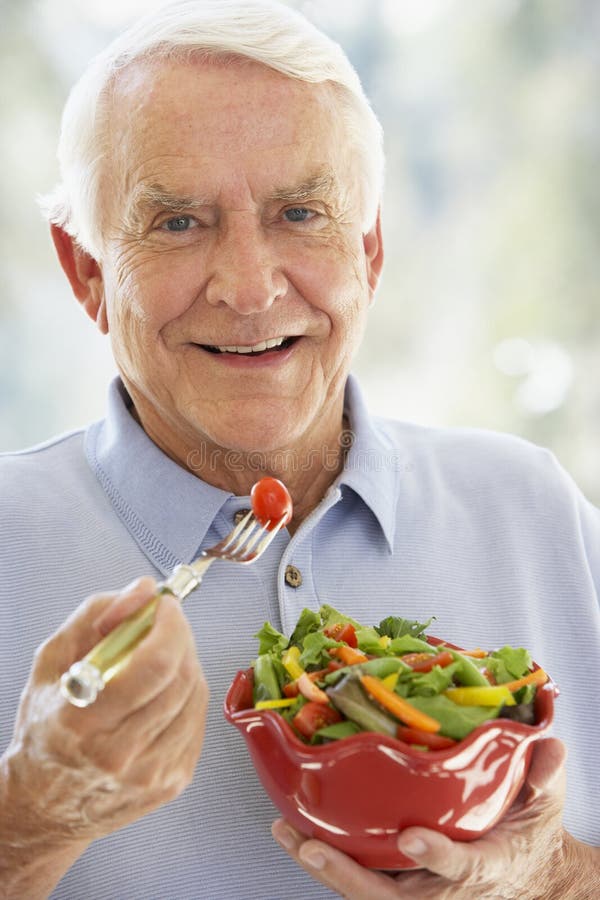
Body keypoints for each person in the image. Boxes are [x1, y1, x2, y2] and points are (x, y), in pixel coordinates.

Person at [0, 1, 598, 897]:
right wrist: (29, 820)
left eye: (300, 212)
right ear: (86, 271)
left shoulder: (534, 509)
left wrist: (551, 875)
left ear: (369, 252)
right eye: (176, 223)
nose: (249, 287)